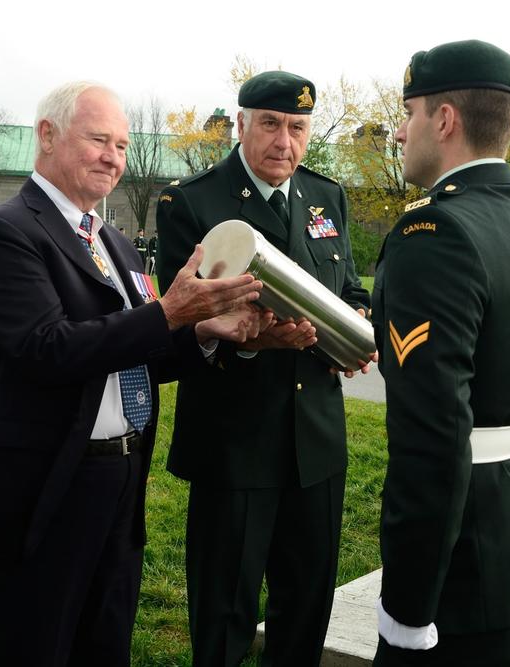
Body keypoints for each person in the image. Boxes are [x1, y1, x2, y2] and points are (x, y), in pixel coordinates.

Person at [0, 81, 264, 667]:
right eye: (98, 140)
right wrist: (168, 312)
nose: (114, 157)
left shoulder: (114, 242)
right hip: (45, 484)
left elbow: (137, 355)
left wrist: (206, 332)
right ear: (47, 135)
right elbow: (46, 349)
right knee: (37, 646)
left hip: (120, 481)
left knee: (105, 645)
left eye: (121, 144)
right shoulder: (5, 233)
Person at [156, 70, 371, 666]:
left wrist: (352, 328)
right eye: (271, 125)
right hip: (235, 444)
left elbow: (350, 287)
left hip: (316, 443)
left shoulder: (327, 196)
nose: (285, 142)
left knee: (305, 609)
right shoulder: (193, 202)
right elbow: (178, 328)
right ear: (243, 122)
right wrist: (253, 342)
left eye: (298, 128)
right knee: (224, 611)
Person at [370, 40, 510, 666]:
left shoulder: (435, 235)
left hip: (463, 571)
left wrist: (407, 609)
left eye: (409, 113)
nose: (401, 132)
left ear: (445, 120)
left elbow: (434, 439)